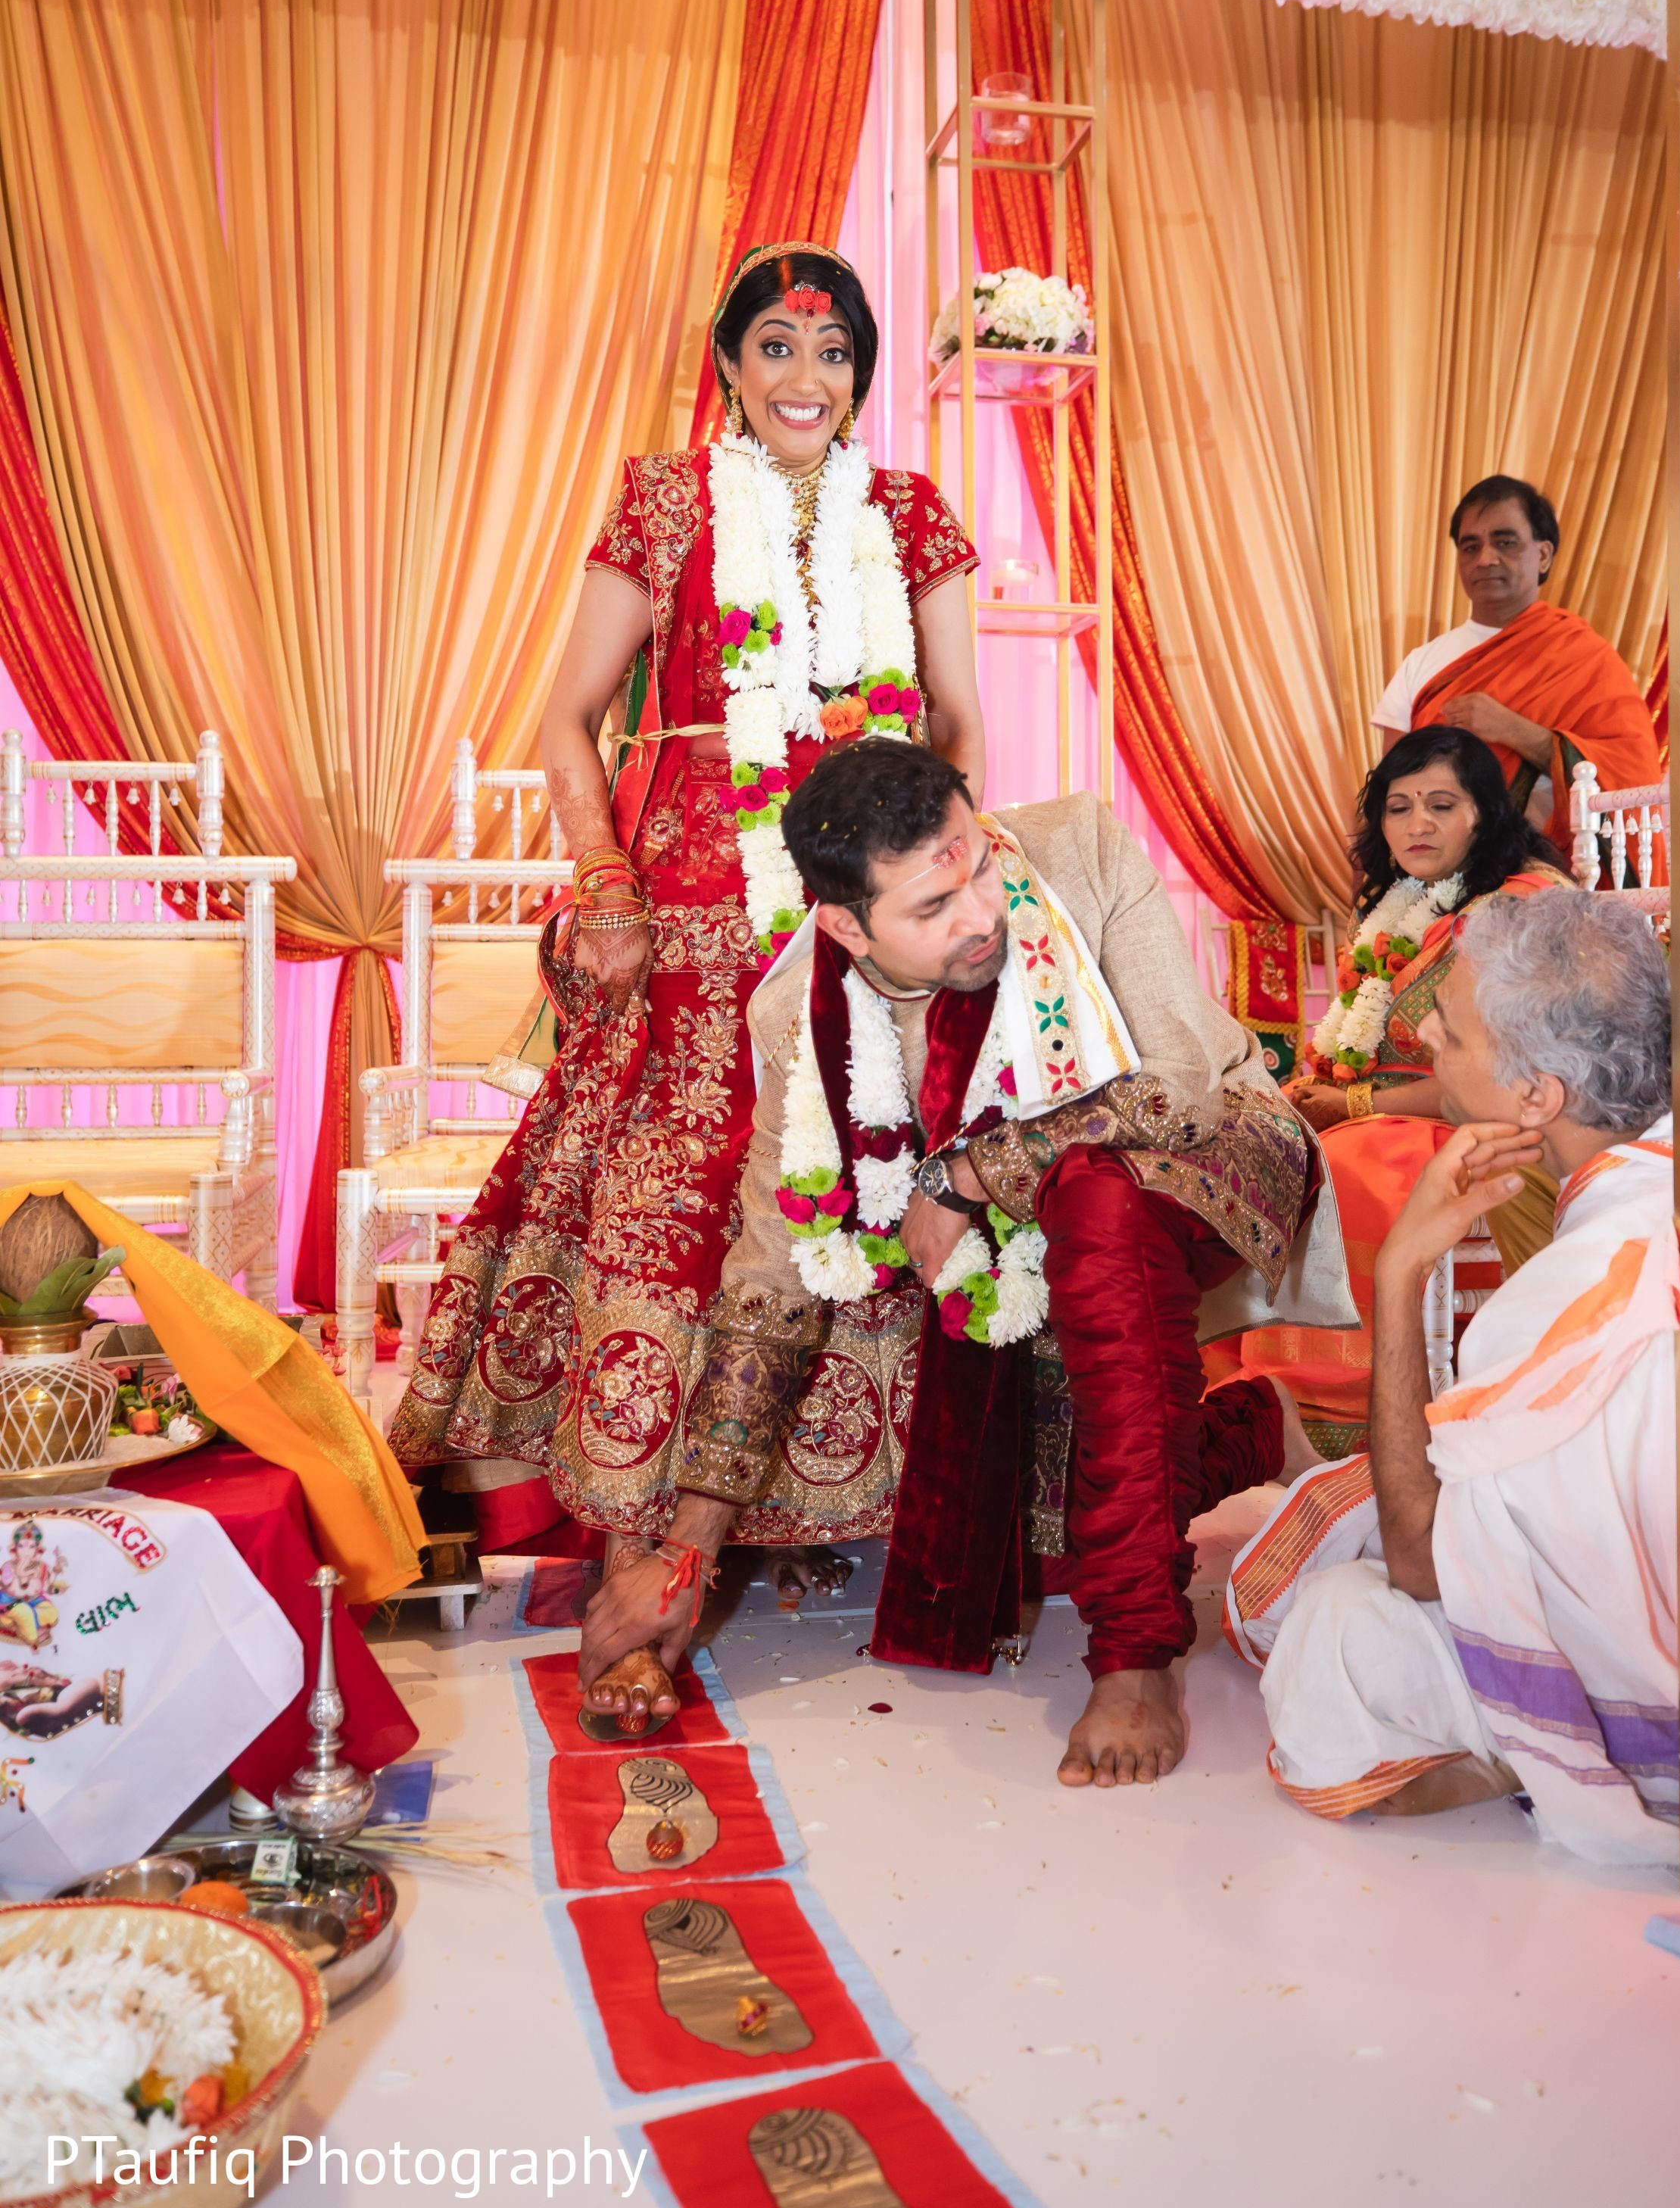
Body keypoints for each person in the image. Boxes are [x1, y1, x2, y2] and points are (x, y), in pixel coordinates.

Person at [576, 738, 1354, 1785]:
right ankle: (1261, 1426)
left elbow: (1181, 1088)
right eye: (930, 910)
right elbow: (768, 1282)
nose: (982, 914)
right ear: (846, 927)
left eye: (975, 864)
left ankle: (1135, 1655)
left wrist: (965, 1177)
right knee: (1038, 1543)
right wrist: (691, 1550)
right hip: (1020, 1250)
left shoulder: (1075, 849)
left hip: (1208, 1158)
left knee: (1099, 1193)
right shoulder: (794, 1018)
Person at [387, 245, 986, 1593]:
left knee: (859, 1161)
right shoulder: (665, 502)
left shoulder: (913, 513)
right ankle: (644, 1511)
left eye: (834, 354)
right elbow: (565, 717)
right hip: (691, 912)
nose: (806, 377)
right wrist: (603, 880)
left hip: (866, 901)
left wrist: (948, 884)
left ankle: (830, 1504)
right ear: (726, 365)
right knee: (681, 1190)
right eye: (776, 345)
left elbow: (958, 722)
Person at [1225, 891, 1678, 1867]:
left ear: (1536, 1098)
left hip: (1656, 1707)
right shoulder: (1659, 1183)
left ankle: (1535, 1755)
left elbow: (1419, 1564)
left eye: (1454, 1027)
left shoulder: (1560, 1301)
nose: (1422, 1027)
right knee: (1340, 1500)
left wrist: (1398, 1275)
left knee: (1336, 1630)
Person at [1258, 728, 1570, 1456]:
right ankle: (1273, 1412)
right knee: (1261, 1144)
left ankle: (1360, 1420)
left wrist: (1359, 1105)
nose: (1416, 824)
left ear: (1485, 814)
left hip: (1488, 1119)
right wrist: (1329, 1089)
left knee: (1344, 1173)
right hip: (1392, 1115)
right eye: (1398, 807)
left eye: (1440, 804)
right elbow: (1369, 1046)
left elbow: (1498, 1077)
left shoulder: (1519, 909)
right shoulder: (1409, 904)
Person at [1371, 474, 1659, 855]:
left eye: (1505, 543)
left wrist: (1514, 730)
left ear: (1543, 555)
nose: (1486, 558)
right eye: (1470, 547)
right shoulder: (1419, 665)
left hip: (1549, 881)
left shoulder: (1584, 658)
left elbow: (1633, 780)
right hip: (1434, 883)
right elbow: (1392, 790)